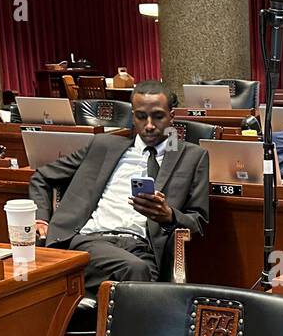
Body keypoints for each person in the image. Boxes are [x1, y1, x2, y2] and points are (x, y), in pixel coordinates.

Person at [29, 80, 209, 291]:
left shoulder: (193, 156)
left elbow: (198, 221)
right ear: (133, 115)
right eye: (141, 117)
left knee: (141, 273)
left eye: (158, 116)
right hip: (89, 240)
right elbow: (42, 176)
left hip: (142, 249)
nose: (149, 125)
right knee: (135, 273)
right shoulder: (104, 145)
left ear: (172, 115)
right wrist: (41, 218)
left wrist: (168, 216)